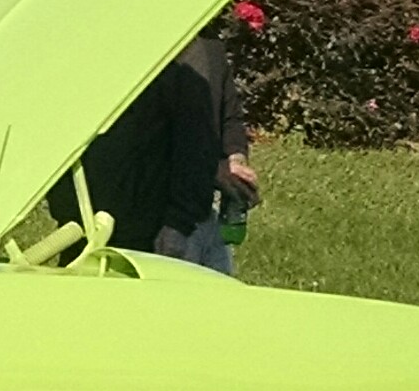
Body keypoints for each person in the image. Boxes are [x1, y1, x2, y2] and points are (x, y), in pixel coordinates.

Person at [47, 58, 216, 257]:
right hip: (77, 231)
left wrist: (178, 224)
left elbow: (196, 155)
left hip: (145, 238)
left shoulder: (177, 79)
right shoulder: (75, 74)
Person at [175, 35, 260, 275]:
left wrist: (236, 158)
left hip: (204, 211)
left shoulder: (210, 49)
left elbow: (230, 116)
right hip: (161, 218)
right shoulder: (151, 58)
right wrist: (216, 172)